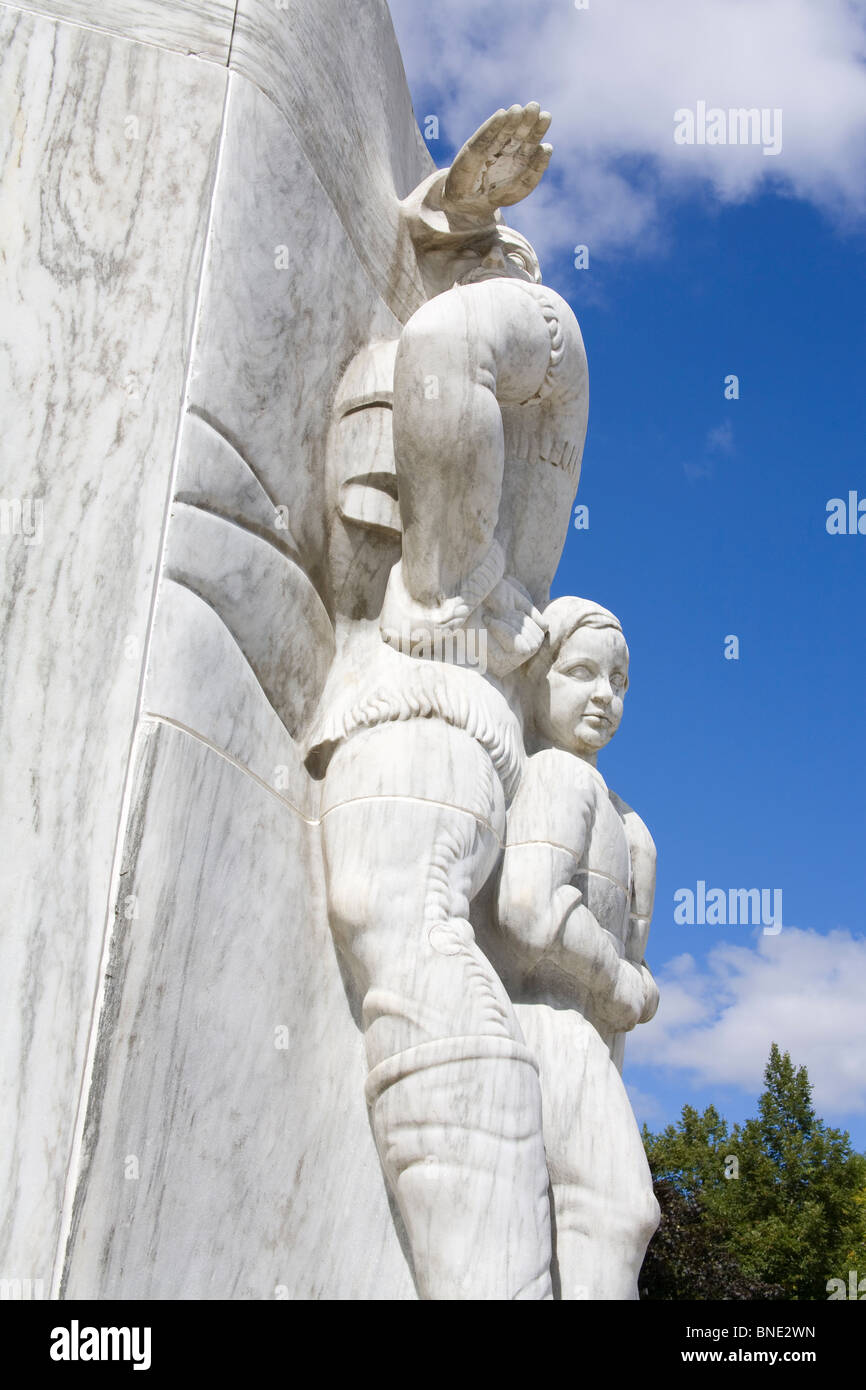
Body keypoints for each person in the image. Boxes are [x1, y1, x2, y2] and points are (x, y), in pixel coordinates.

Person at [307, 106, 590, 1299]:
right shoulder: (443, 322)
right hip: (396, 680)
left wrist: (456, 596)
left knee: (402, 926)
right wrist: (452, 208)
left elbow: (459, 351)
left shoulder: (523, 335)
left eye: (485, 255)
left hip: (438, 678)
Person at [487, 596, 660, 1298]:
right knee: (617, 1212)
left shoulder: (626, 819)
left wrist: (634, 983)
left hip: (585, 1037)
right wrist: (619, 979)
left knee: (582, 1220)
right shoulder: (557, 775)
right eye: (582, 672)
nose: (604, 697)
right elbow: (528, 905)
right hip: (544, 1020)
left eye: (618, 682)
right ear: (538, 677)